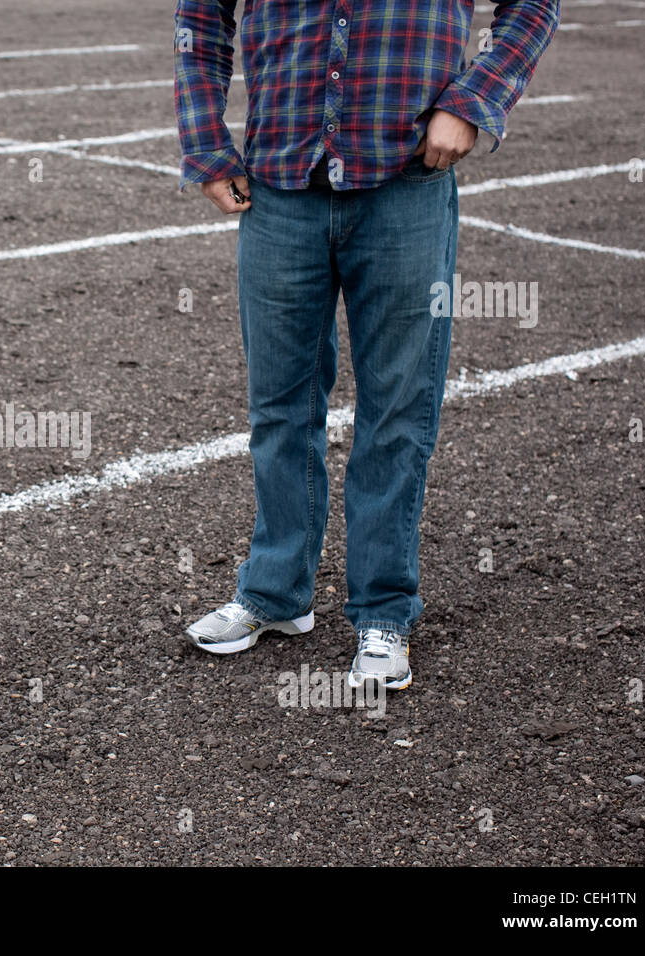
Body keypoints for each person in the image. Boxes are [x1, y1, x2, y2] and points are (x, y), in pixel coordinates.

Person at [175, 0, 559, 689]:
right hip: (279, 189)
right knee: (280, 406)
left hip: (405, 185)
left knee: (398, 411)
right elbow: (201, 18)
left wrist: (474, 100)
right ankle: (275, 594)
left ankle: (384, 611)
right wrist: (204, 144)